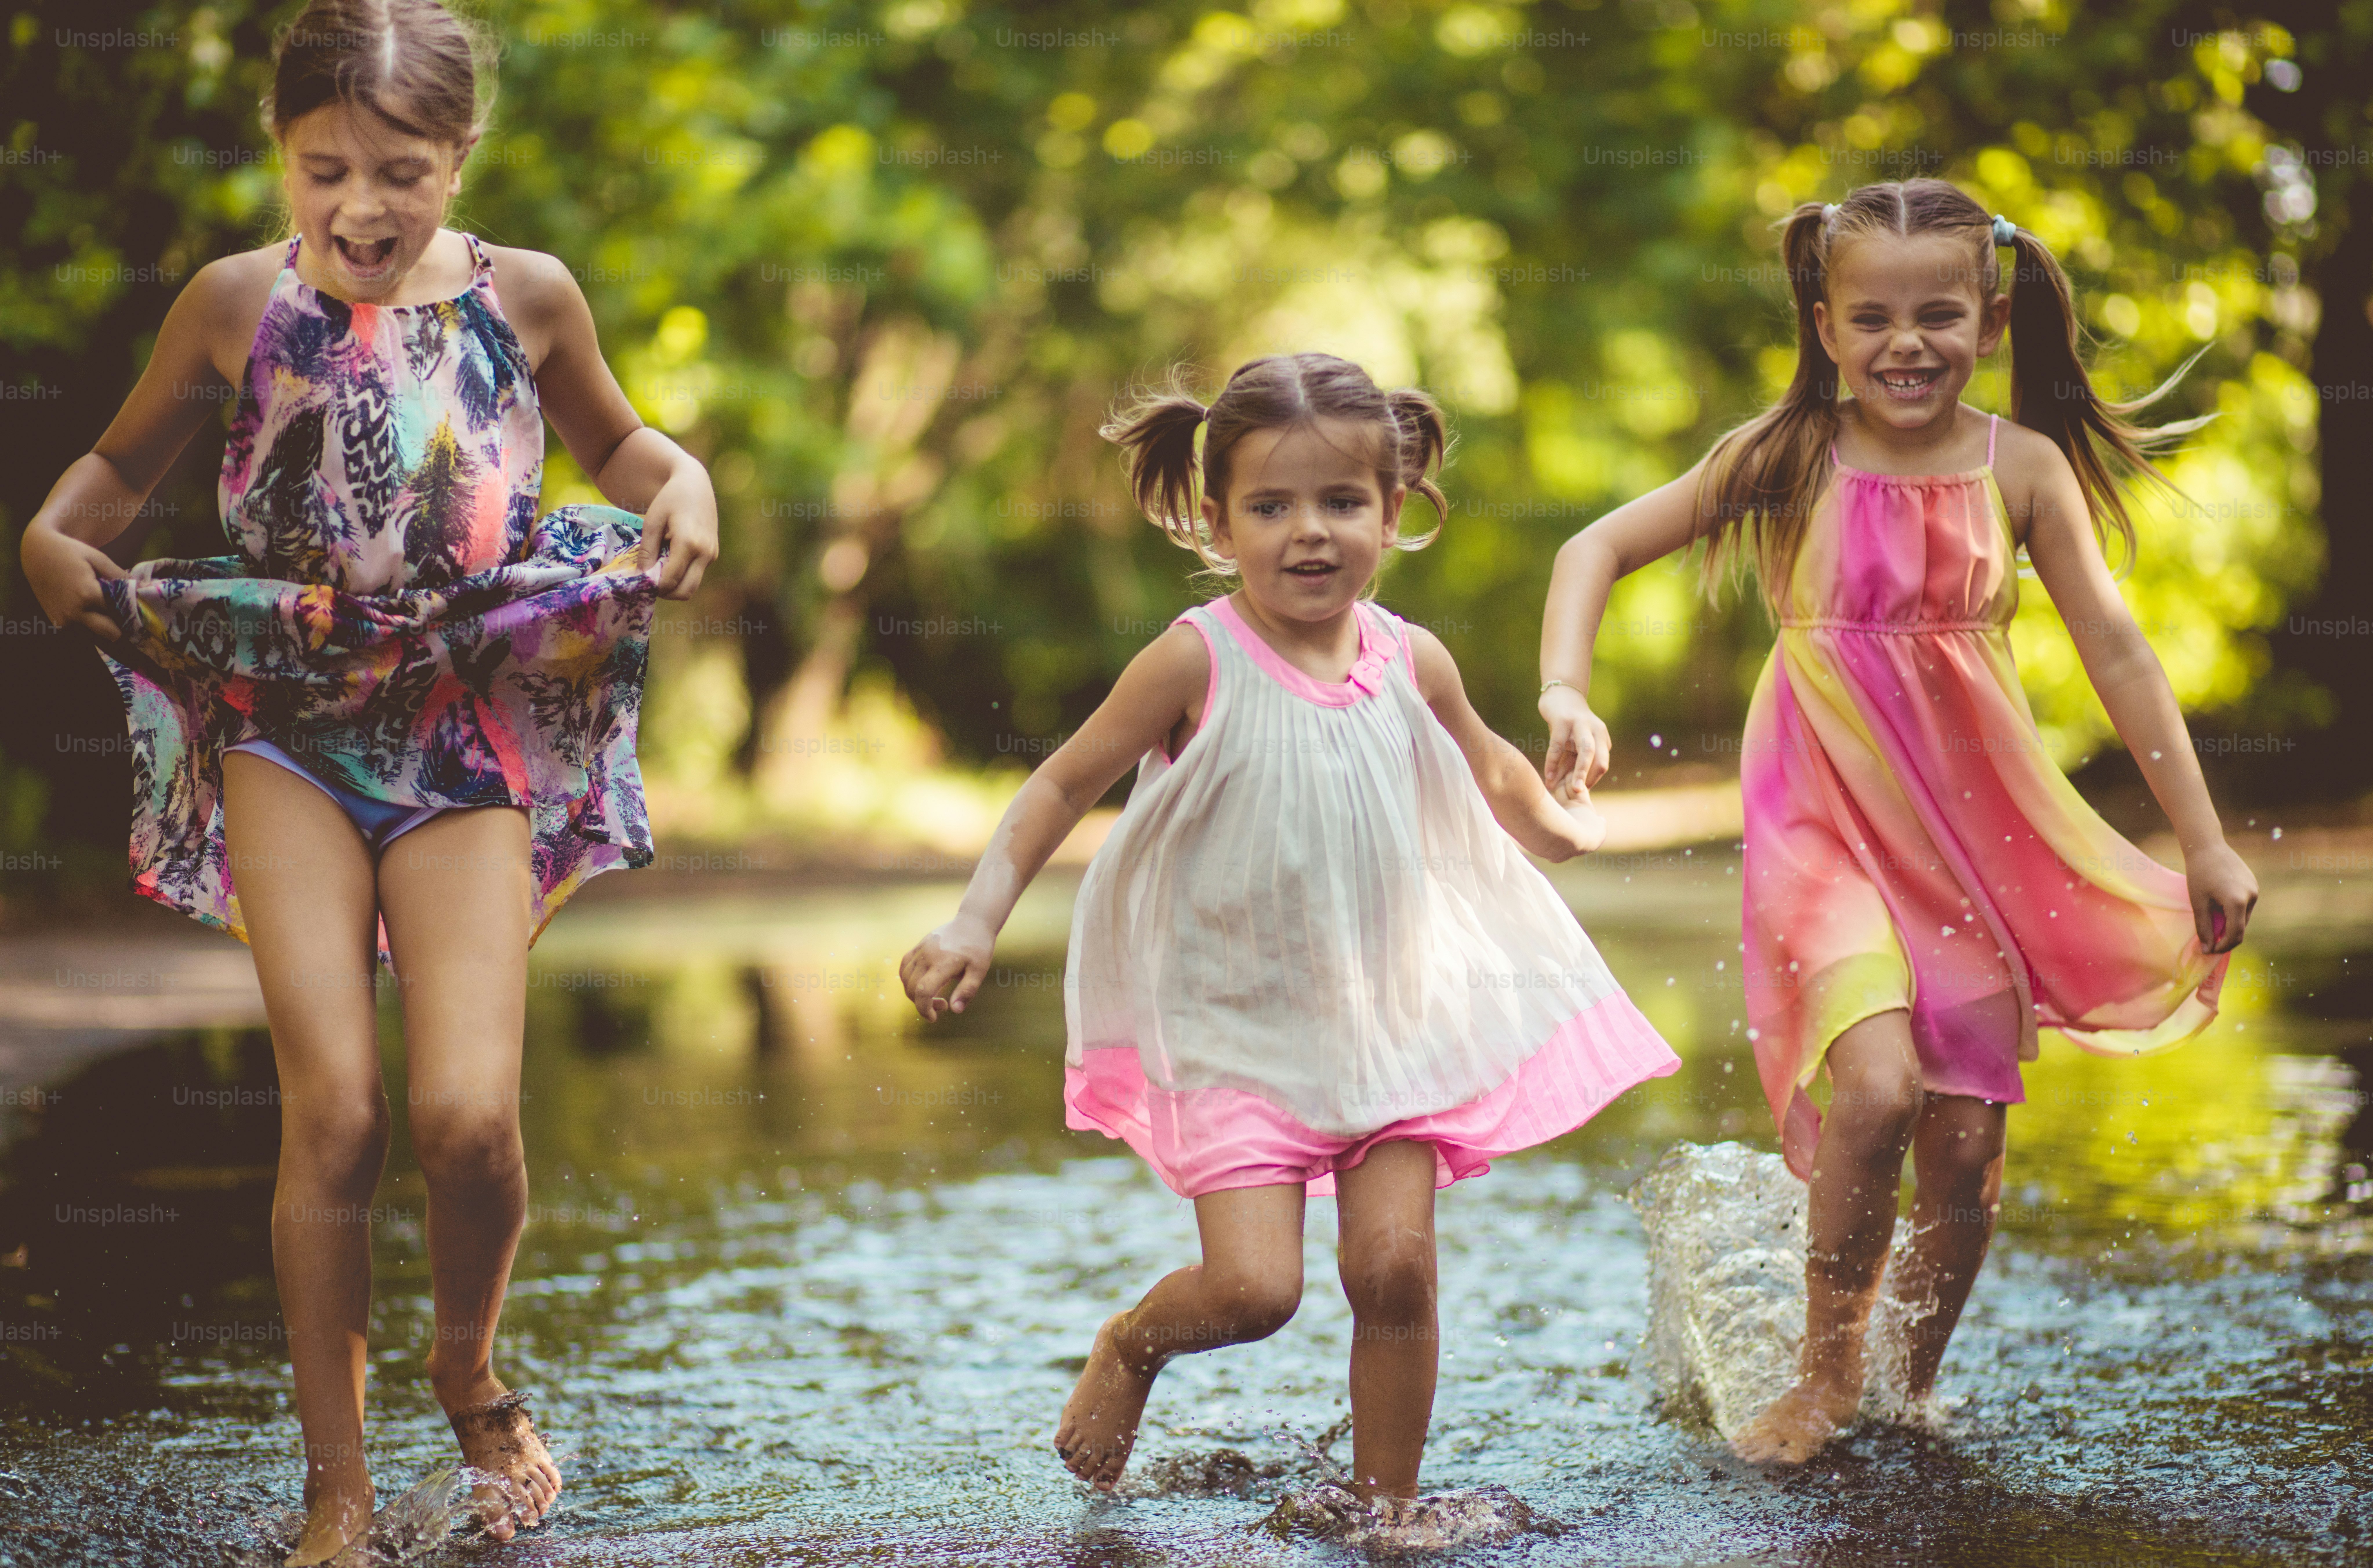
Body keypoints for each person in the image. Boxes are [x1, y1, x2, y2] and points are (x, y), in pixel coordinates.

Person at [17, 0, 717, 1558]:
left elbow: (625, 448)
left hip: (463, 732)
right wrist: (48, 539)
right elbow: (116, 473)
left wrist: (693, 481)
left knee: (469, 1118)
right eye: (322, 169)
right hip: (281, 727)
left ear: (462, 156)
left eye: (399, 171)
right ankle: (335, 1493)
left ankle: (463, 1366)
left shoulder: (527, 298)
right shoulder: (226, 303)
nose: (359, 209)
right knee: (334, 1114)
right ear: (280, 151)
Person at [1536, 179, 2256, 1465]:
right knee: (1873, 1090)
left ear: (1989, 319)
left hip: (1974, 833)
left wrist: (2201, 837)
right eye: (1871, 316)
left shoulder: (2020, 468)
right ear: (1824, 324)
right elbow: (1591, 548)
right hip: (1816, 816)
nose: (1904, 342)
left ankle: (1904, 1379)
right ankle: (1821, 1379)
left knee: (1968, 1143)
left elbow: (2123, 657)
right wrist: (1567, 692)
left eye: (1939, 314)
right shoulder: (1792, 453)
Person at [899, 352, 1677, 1507]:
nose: (1309, 533)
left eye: (1341, 502)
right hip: (1236, 1027)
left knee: (1397, 1265)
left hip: (1395, 1021)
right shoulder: (1195, 657)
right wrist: (975, 917)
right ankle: (1130, 1344)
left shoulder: (1413, 657)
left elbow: (1493, 766)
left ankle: (1385, 1509)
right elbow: (1061, 786)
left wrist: (1560, 825)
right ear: (1217, 521)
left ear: (1394, 511)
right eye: (1271, 506)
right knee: (1257, 1290)